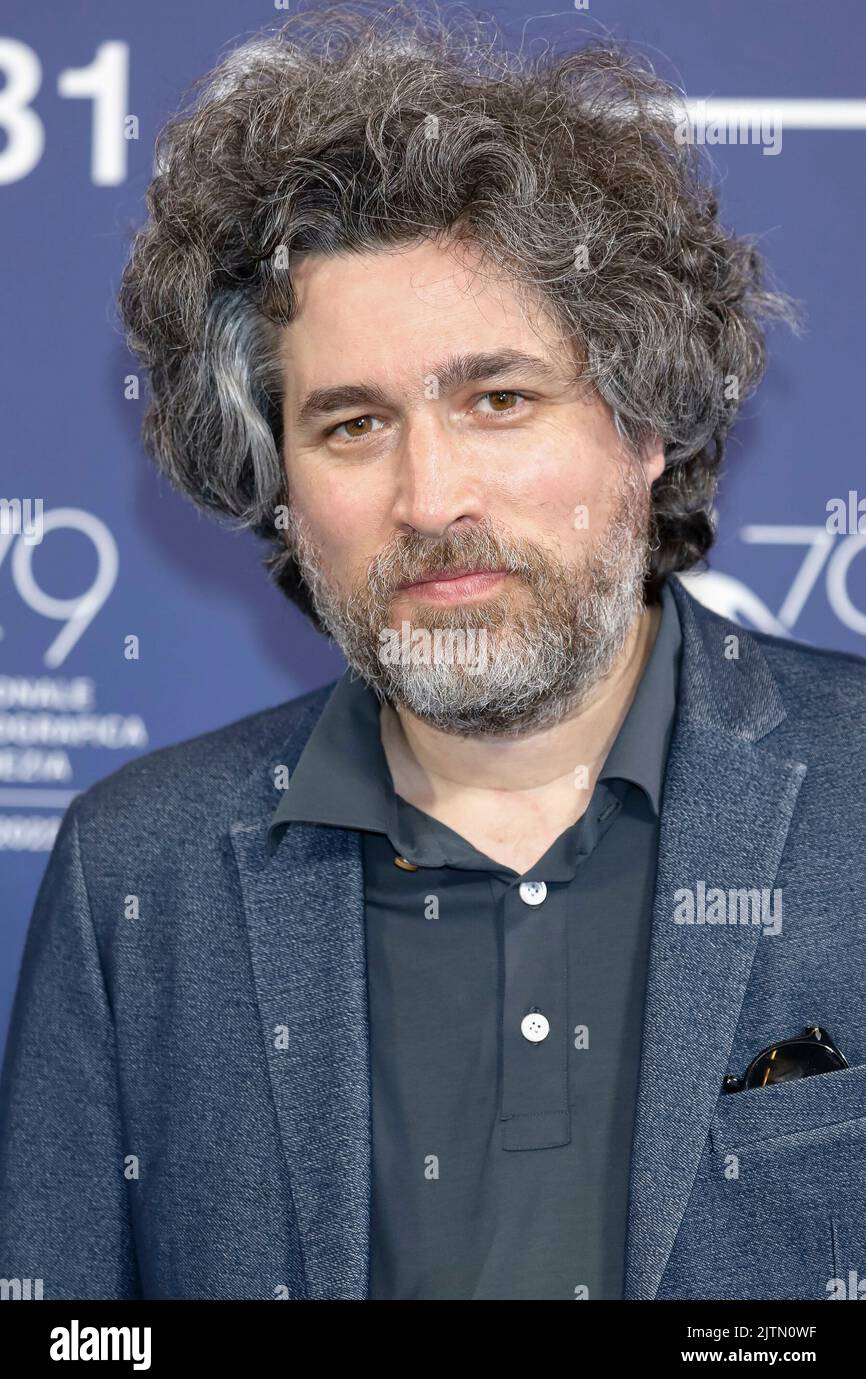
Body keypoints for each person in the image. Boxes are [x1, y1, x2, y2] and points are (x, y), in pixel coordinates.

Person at [2, 3, 865, 1301]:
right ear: (277, 482)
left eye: (498, 399)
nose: (429, 494)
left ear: (645, 424)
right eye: (351, 424)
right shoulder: (138, 867)